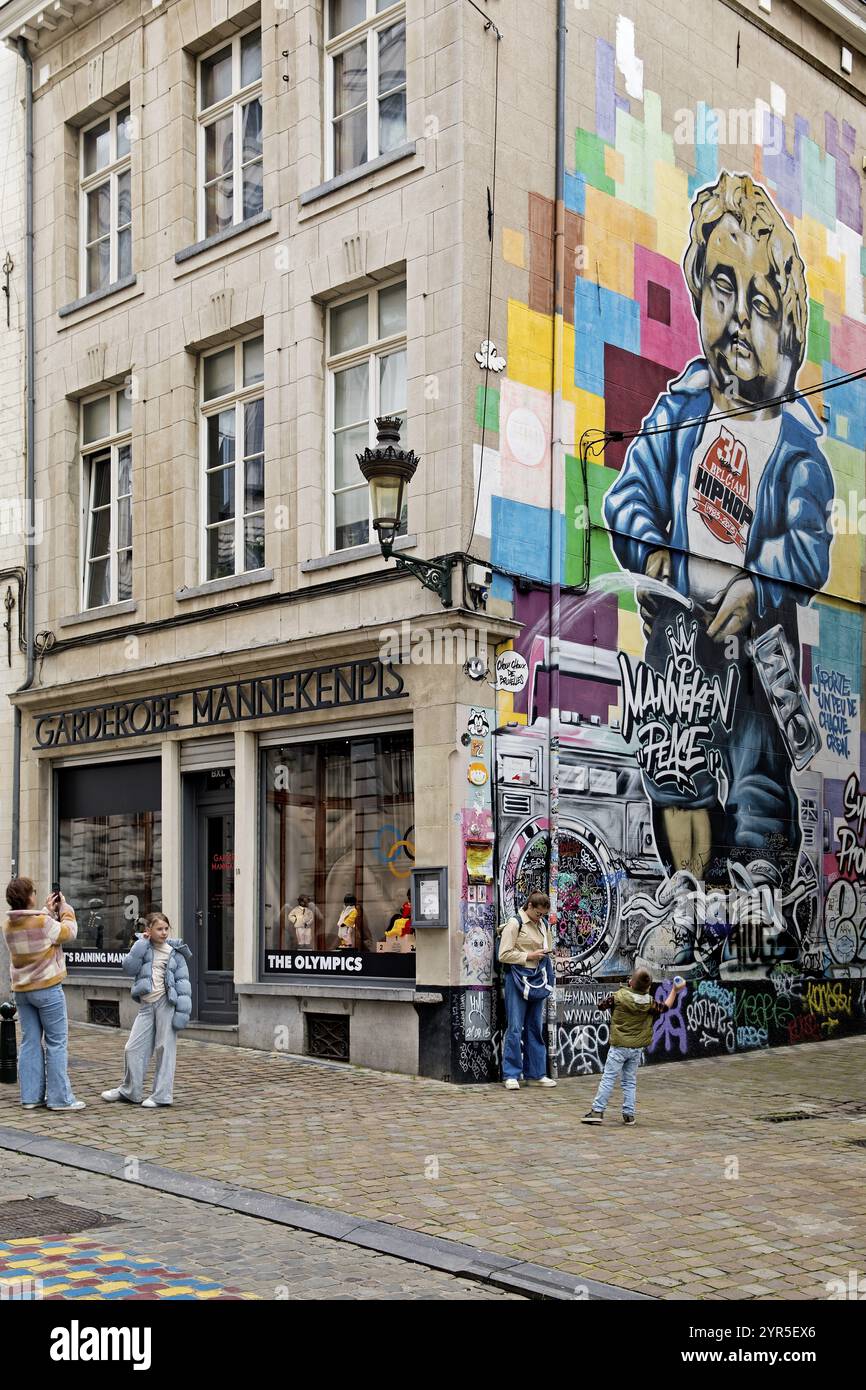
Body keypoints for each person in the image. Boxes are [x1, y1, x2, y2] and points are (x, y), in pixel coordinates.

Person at [603, 172, 833, 888]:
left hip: (753, 654)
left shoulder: (797, 445)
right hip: (677, 649)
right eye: (722, 290)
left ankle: (760, 871)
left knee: (756, 760)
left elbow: (809, 547)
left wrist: (760, 588)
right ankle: (686, 889)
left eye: (760, 303)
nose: (736, 319)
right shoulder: (679, 411)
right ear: (698, 292)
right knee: (674, 767)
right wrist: (665, 569)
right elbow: (626, 502)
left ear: (790, 332)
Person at [3, 877, 84, 1112]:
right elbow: (69, 932)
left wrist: (47, 910)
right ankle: (60, 1099)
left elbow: (34, 923)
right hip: (47, 989)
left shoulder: (9, 925)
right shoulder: (42, 922)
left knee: (30, 1042)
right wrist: (65, 909)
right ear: (29, 896)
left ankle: (30, 1097)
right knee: (56, 1043)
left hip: (22, 991)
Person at [101, 912, 192, 1108]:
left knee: (164, 1048)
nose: (164, 933)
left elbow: (184, 985)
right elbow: (129, 968)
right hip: (146, 1005)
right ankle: (130, 1091)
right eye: (159, 929)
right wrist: (140, 944)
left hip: (166, 1003)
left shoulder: (175, 952)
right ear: (148, 930)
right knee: (132, 1048)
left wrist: (182, 1014)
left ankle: (161, 1096)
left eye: (166, 928)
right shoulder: (143, 948)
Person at [581, 970, 686, 1124]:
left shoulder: (618, 997)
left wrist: (618, 996)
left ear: (630, 982)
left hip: (618, 1047)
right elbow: (665, 1007)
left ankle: (597, 1111)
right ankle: (629, 1115)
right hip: (636, 1049)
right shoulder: (649, 1002)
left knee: (608, 1078)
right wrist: (675, 991)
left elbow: (601, 1006)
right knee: (629, 1081)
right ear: (648, 988)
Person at [498, 890, 556, 1091]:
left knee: (534, 1026)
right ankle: (511, 1074)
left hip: (537, 979)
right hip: (517, 978)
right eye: (538, 913)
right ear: (529, 906)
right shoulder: (515, 923)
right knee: (515, 1026)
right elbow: (503, 954)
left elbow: (547, 946)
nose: (541, 918)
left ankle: (536, 1073)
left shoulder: (544, 925)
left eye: (544, 915)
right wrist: (529, 955)